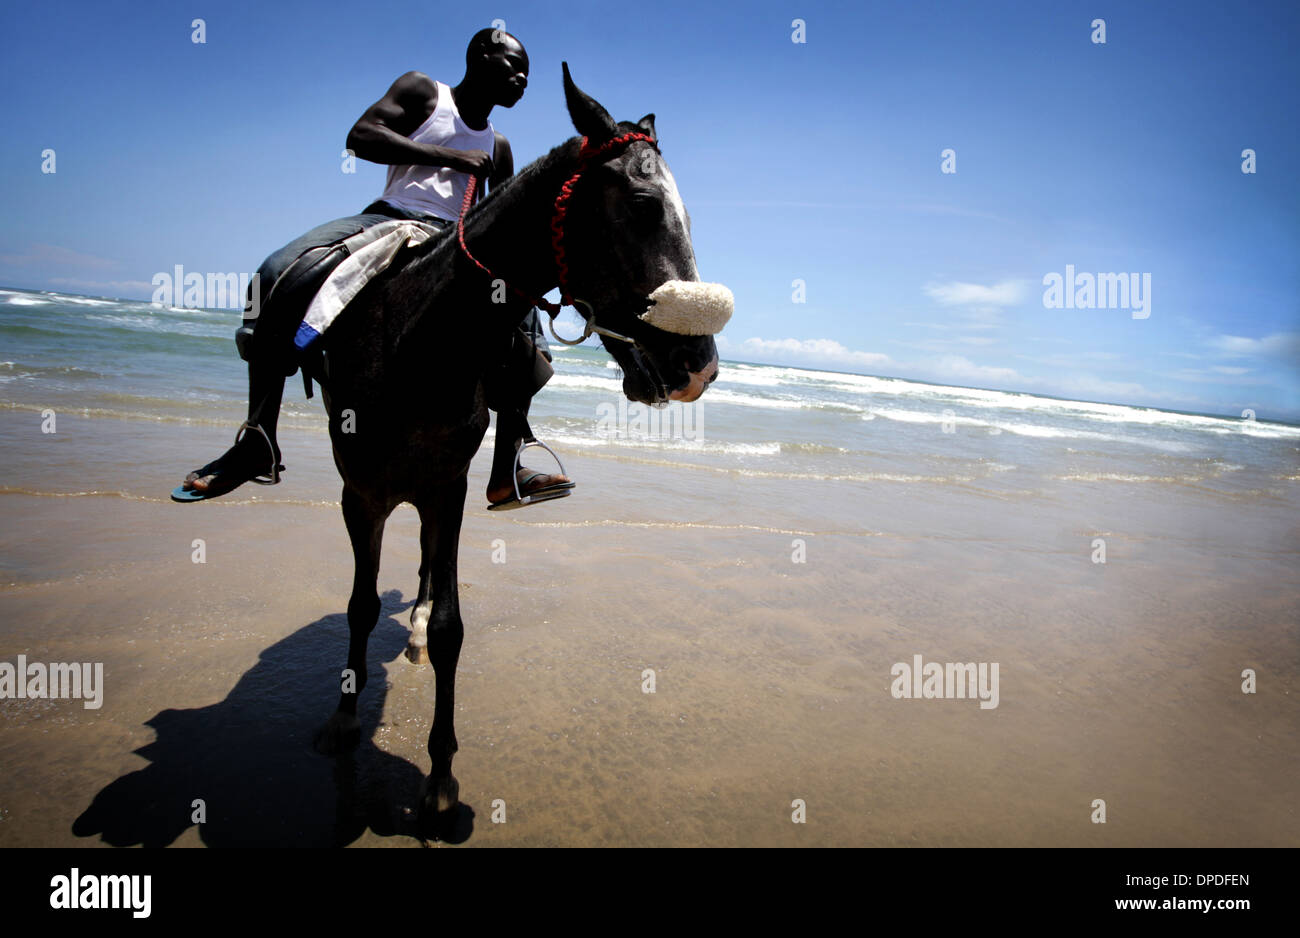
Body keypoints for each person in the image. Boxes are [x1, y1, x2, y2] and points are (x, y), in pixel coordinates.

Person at [174, 28, 572, 510]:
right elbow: (360, 137)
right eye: (513, 64)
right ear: (480, 55)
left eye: (527, 71)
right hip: (390, 217)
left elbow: (499, 223)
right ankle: (257, 439)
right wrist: (452, 157)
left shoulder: (500, 146)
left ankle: (508, 464)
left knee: (521, 311)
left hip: (454, 240)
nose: (523, 77)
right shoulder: (424, 91)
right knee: (273, 272)